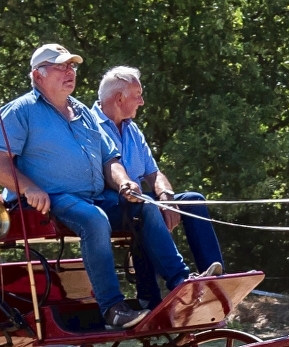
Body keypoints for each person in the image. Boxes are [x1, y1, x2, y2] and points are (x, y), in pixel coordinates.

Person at [0, 43, 191, 330]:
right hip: (53, 198)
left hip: (95, 195)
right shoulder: (19, 112)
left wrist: (125, 183)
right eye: (61, 66)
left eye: (72, 66)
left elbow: (110, 159)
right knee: (94, 219)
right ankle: (113, 309)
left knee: (143, 204)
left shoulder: (83, 111)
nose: (70, 72)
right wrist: (29, 188)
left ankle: (183, 284)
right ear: (38, 75)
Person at [92, 65, 225, 309]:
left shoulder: (132, 129)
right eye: (138, 95)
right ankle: (177, 282)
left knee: (192, 200)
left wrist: (166, 195)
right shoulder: (90, 126)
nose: (142, 102)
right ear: (119, 98)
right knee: (145, 207)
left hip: (137, 200)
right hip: (106, 203)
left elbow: (153, 173)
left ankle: (216, 281)